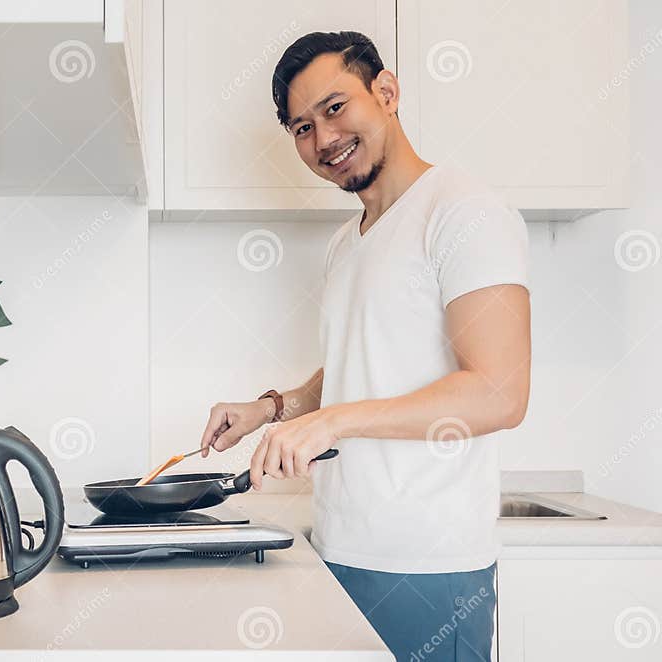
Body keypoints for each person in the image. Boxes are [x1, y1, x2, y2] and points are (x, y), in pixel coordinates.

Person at [198, 31, 531, 662]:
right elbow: (360, 366)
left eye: (334, 107)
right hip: (340, 550)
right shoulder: (347, 243)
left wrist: (331, 423)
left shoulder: (463, 212)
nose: (322, 139)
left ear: (387, 91)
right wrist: (273, 409)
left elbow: (499, 390)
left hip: (428, 569)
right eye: (301, 127)